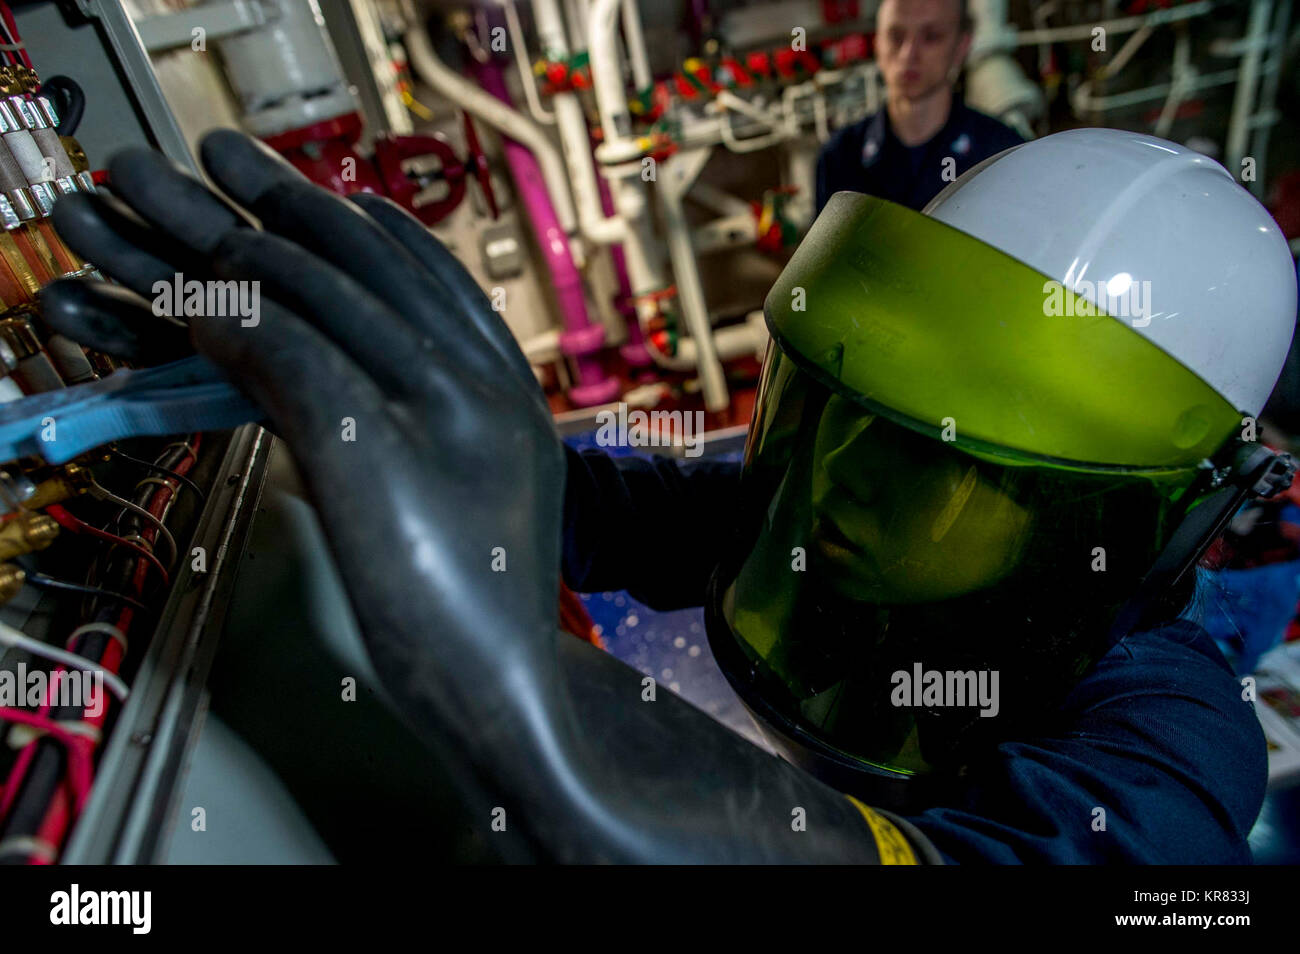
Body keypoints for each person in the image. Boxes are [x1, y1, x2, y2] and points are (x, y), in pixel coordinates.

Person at [43, 126, 1296, 864]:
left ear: (1128, 530)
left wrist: (551, 714)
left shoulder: (1176, 754)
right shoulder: (828, 527)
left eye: (943, 465)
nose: (839, 484)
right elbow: (592, 502)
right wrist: (354, 404)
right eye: (851, 422)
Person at [815, 0, 1024, 213]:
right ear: (877, 44)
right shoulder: (840, 157)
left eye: (931, 36)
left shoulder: (1002, 154)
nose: (908, 54)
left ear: (962, 46)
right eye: (896, 36)